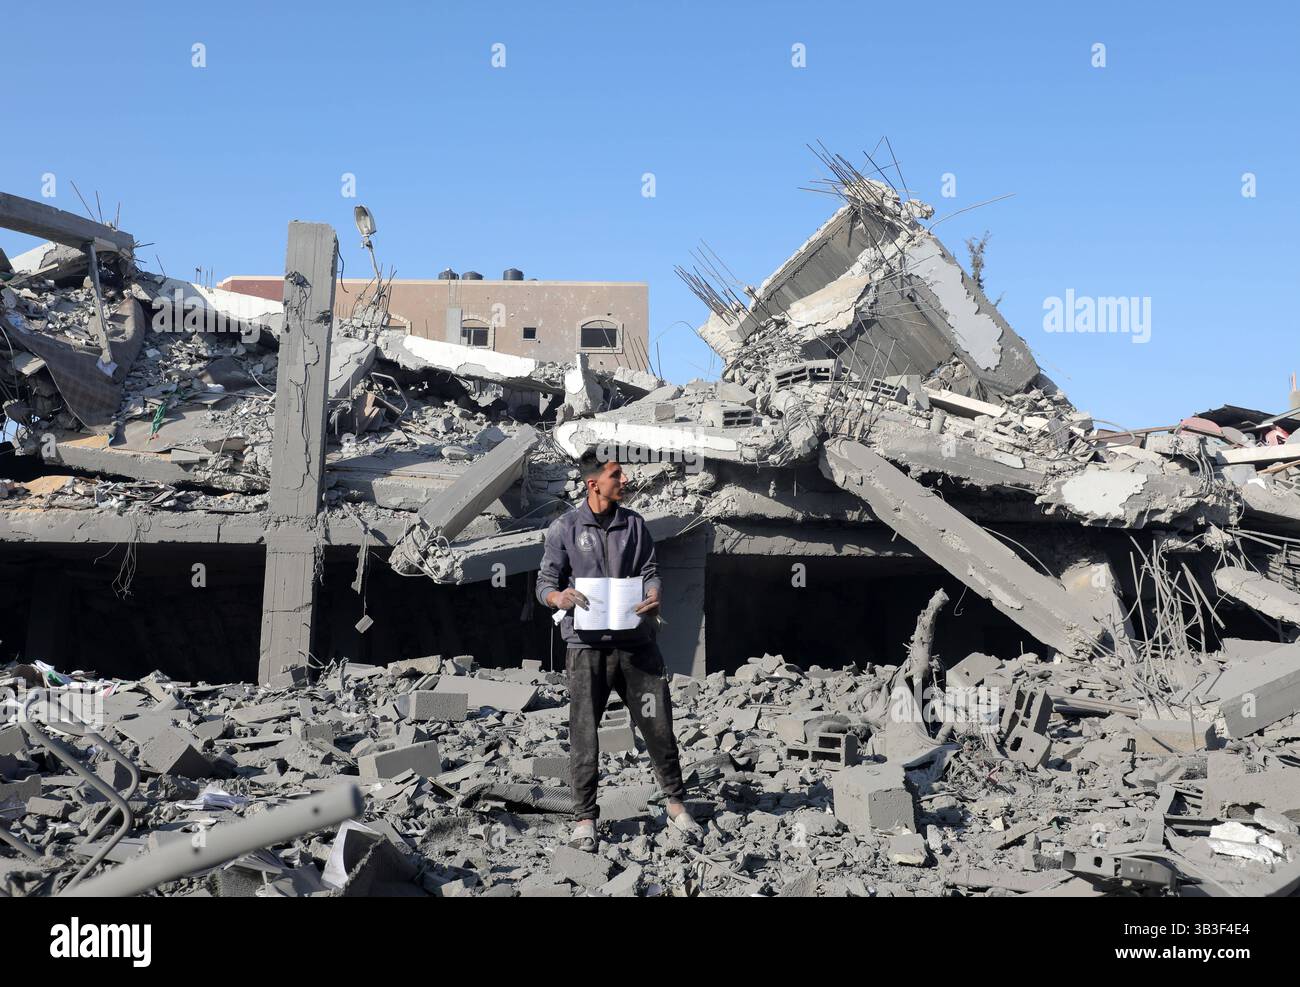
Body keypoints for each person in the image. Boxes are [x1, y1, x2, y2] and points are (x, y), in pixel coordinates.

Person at [536, 452, 701, 850]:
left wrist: (655, 593)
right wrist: (560, 598)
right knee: (584, 733)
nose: (623, 479)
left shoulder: (634, 525)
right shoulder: (565, 528)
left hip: (637, 647)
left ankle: (676, 805)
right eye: (615, 475)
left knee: (658, 725)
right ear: (594, 484)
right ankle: (585, 819)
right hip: (586, 650)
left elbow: (650, 571)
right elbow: (544, 583)